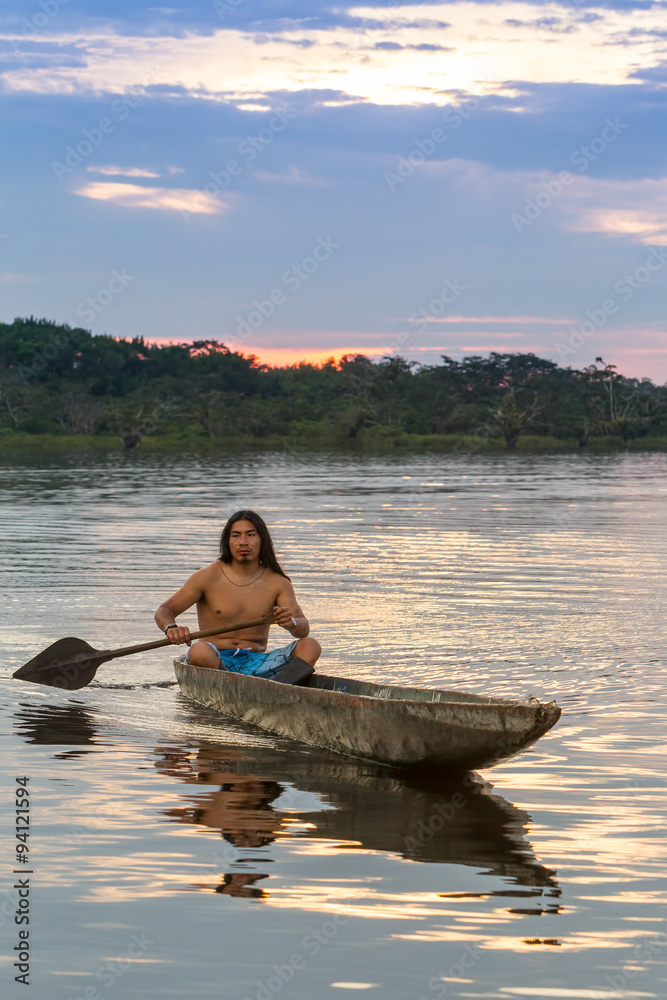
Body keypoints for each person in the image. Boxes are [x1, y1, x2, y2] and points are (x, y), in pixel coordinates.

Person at [155, 510, 321, 683]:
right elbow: (164, 610)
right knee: (199, 651)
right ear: (228, 541)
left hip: (257, 663)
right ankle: (235, 687)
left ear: (262, 540)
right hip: (215, 660)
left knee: (311, 646)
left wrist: (291, 624)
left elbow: (303, 628)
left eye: (250, 535)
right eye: (236, 535)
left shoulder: (277, 582)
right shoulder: (207, 577)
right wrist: (171, 627)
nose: (243, 542)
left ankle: (278, 690)